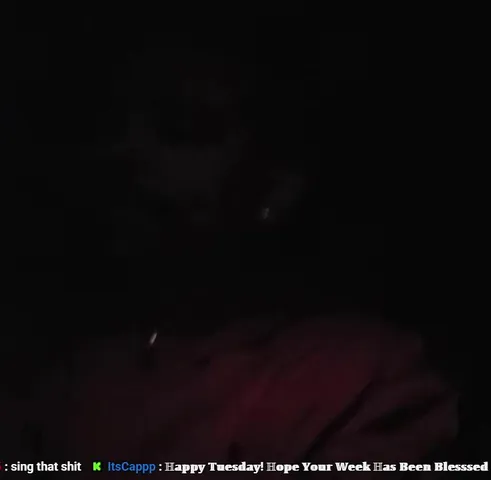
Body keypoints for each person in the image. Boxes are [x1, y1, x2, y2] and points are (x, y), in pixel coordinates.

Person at [2, 36, 458, 465]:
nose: (122, 151)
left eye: (182, 127)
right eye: (106, 125)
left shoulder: (362, 377)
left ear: (277, 185)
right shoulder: (51, 361)